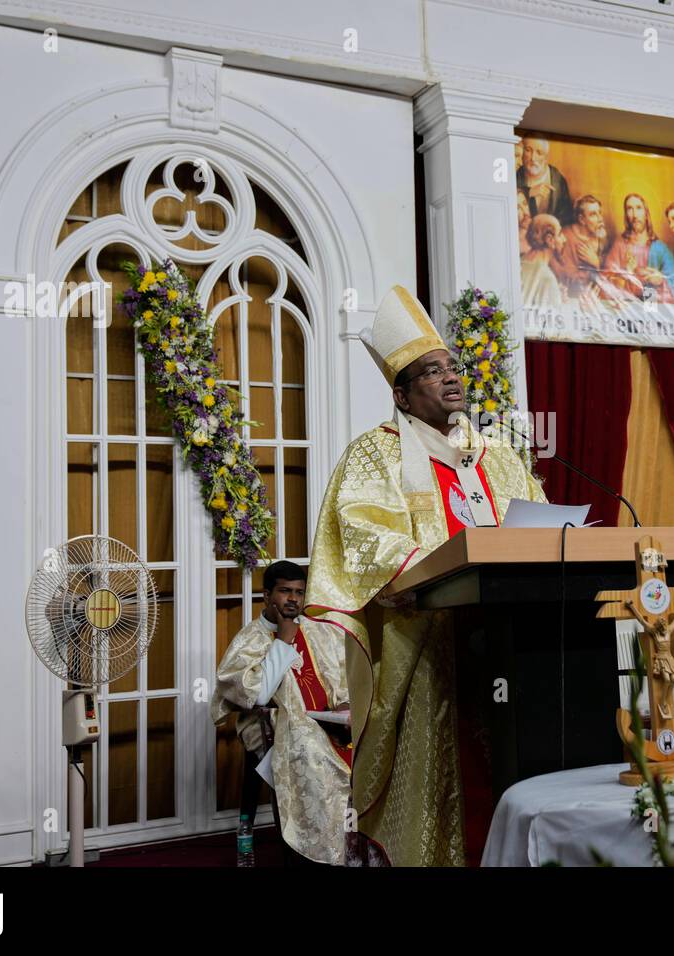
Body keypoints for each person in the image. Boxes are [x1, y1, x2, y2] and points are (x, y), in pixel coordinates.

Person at [304, 286, 546, 867]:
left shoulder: (498, 455)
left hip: (511, 636)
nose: (451, 378)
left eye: (453, 367)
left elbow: (534, 520)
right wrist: (434, 569)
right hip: (430, 640)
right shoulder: (378, 454)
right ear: (402, 394)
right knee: (438, 774)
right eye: (432, 372)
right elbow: (362, 534)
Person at [209, 560, 351, 866]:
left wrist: (343, 703)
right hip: (274, 726)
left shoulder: (317, 631)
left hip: (327, 722)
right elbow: (257, 693)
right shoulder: (252, 639)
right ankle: (314, 853)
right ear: (266, 595)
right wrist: (284, 640)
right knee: (310, 755)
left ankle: (351, 846)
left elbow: (340, 676)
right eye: (285, 591)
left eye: (299, 592)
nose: (293, 599)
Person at [602, 193, 674, 304]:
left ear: (646, 213)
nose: (635, 214)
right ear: (626, 215)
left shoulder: (659, 248)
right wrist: (627, 273)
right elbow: (605, 281)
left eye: (638, 208)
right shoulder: (620, 245)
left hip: (652, 309)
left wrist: (661, 280)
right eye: (629, 209)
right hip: (626, 308)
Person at [549, 194, 609, 300]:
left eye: (600, 213)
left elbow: (609, 273)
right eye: (593, 214)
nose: (600, 219)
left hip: (594, 297)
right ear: (581, 219)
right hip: (572, 297)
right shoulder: (564, 237)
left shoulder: (601, 236)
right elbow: (562, 275)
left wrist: (596, 262)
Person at [517, 136, 574, 226]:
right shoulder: (516, 174)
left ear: (546, 157)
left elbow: (566, 216)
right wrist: (529, 192)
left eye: (539, 153)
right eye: (528, 150)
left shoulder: (557, 180)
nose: (533, 158)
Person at [520, 214, 566, 309]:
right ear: (549, 239)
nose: (564, 239)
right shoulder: (547, 278)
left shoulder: (520, 262)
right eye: (560, 234)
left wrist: (556, 293)